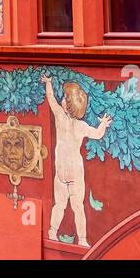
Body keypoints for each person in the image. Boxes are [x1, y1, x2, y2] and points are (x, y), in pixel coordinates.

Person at [41, 73, 111, 247]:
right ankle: (81, 239)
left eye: (65, 97)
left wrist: (48, 83)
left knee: (62, 205)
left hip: (63, 171)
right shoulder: (80, 126)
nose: (62, 99)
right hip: (73, 171)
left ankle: (54, 231)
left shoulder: (60, 117)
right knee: (76, 206)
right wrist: (103, 123)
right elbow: (98, 134)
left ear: (69, 105)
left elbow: (50, 98)